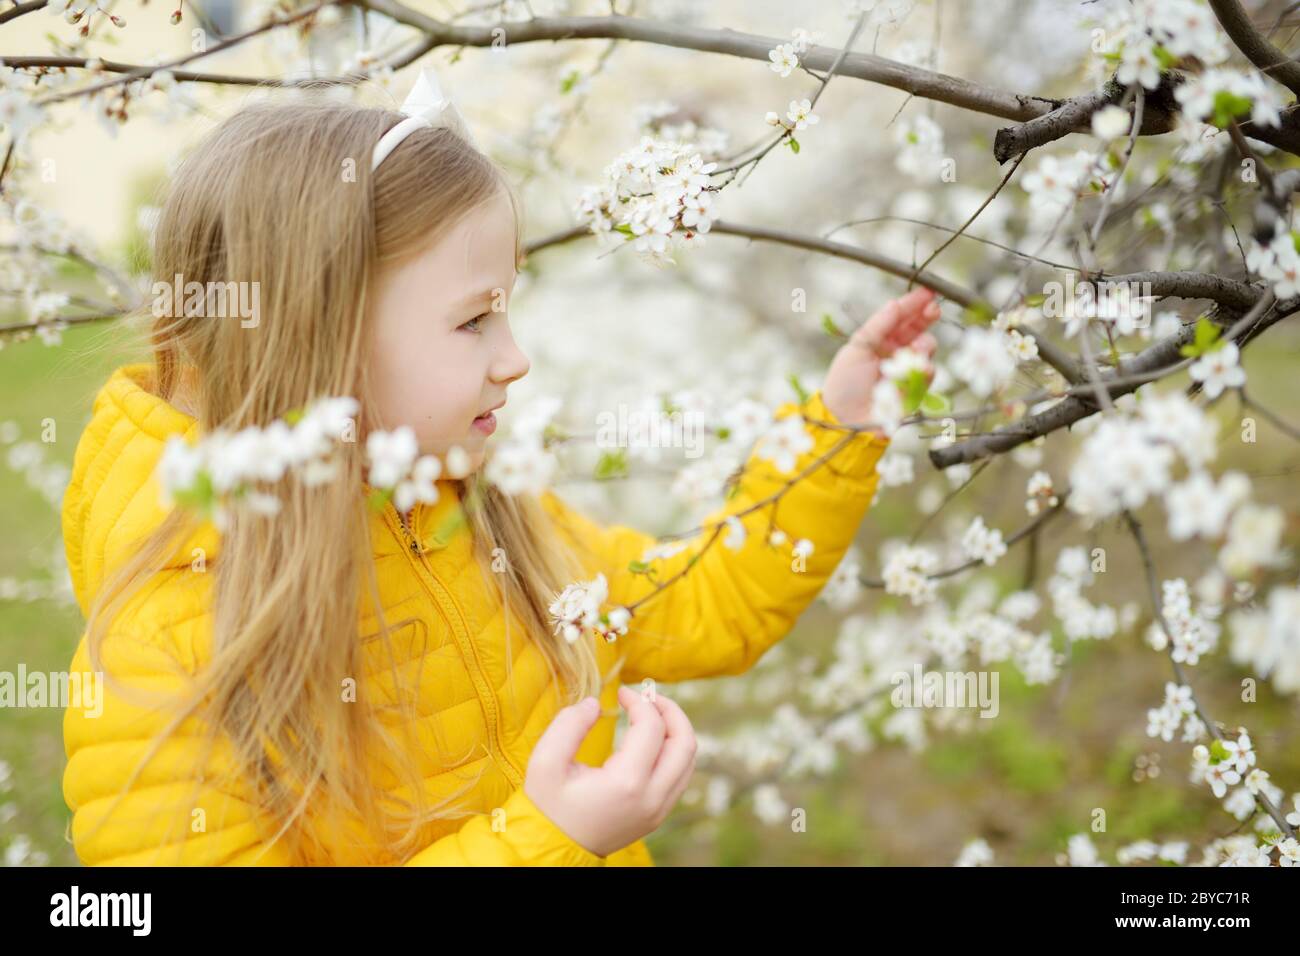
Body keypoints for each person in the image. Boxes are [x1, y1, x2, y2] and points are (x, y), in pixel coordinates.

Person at [59, 89, 939, 866]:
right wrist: (548, 842)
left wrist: (837, 432)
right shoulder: (172, 642)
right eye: (473, 319)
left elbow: (710, 600)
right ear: (314, 335)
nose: (514, 360)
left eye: (505, 312)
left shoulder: (486, 518)